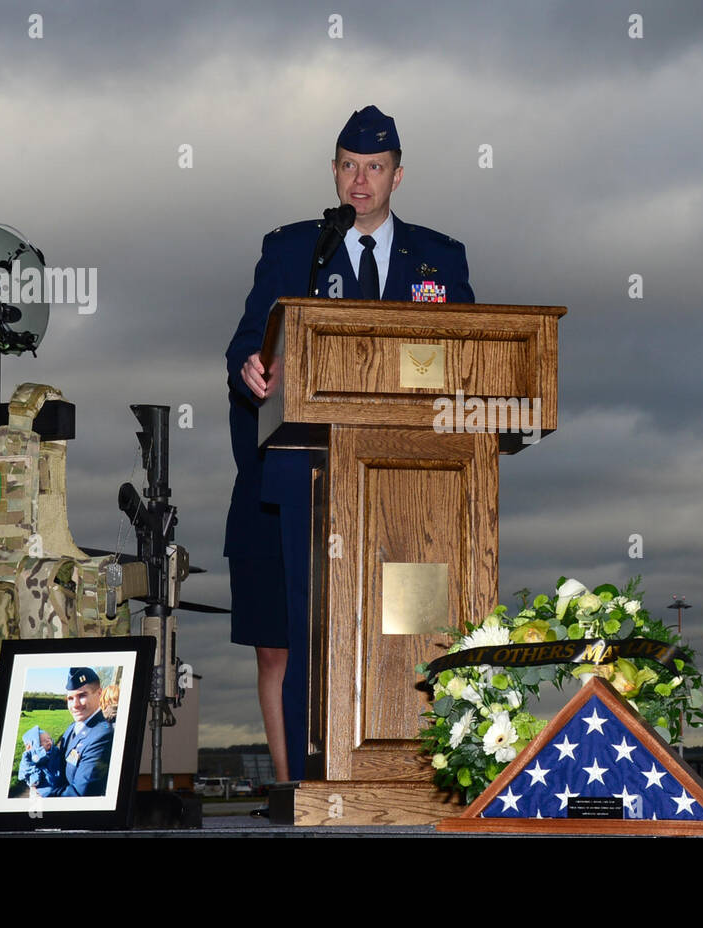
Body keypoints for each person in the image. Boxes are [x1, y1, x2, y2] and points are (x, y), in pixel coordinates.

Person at [224, 105, 473, 782]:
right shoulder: (292, 249)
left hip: (411, 492)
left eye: (375, 168)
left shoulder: (440, 258)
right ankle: (305, 791)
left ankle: (413, 777)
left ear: (398, 175)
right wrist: (251, 367)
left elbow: (471, 357)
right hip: (307, 478)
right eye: (349, 166)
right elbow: (249, 342)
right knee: (310, 633)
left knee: (411, 628)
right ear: (334, 170)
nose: (360, 181)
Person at [38, 668, 115, 798]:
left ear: (99, 693)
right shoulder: (72, 727)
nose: (75, 705)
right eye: (70, 698)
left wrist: (42, 794)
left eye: (82, 695)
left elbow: (80, 794)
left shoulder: (103, 735)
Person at [17, 726, 64, 791]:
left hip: (58, 782)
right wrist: (34, 779)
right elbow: (26, 769)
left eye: (49, 739)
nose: (48, 742)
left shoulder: (54, 751)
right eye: (44, 741)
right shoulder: (28, 756)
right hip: (43, 786)